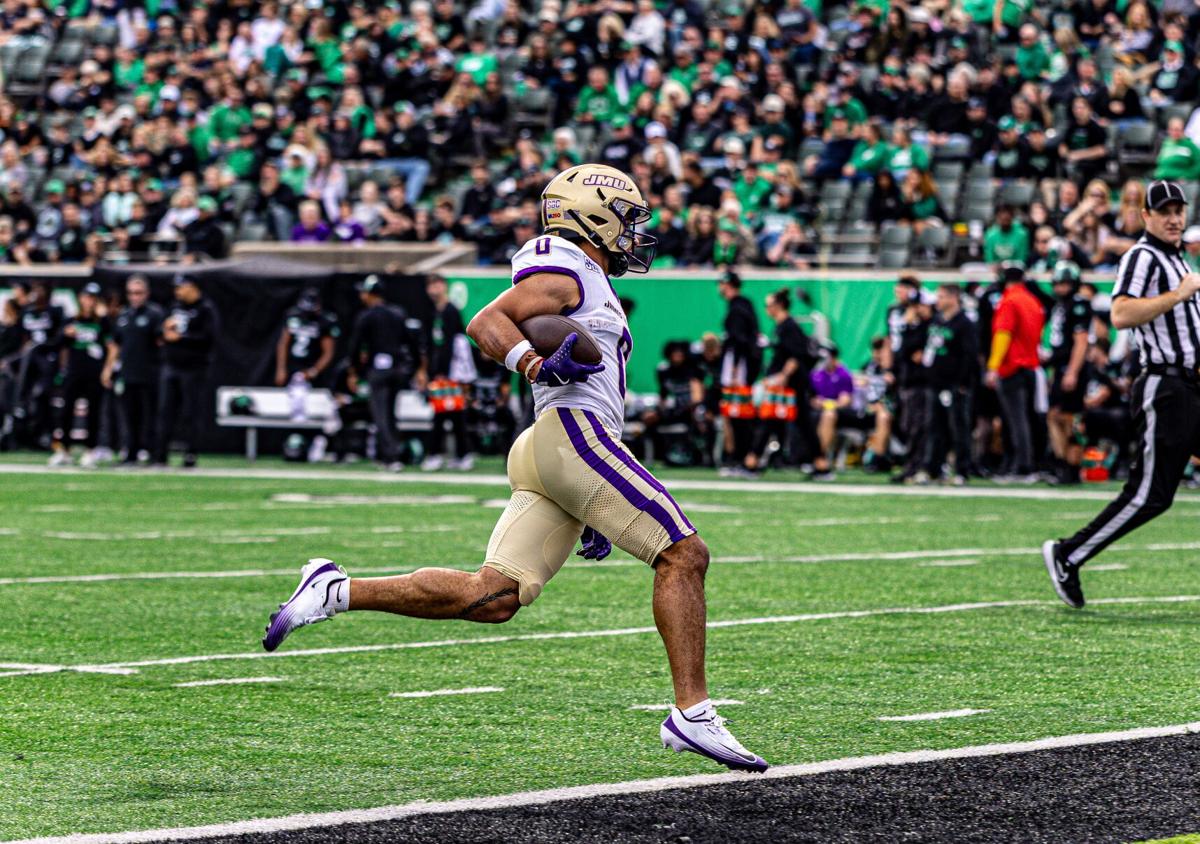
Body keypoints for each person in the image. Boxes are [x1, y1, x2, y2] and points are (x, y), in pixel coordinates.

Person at [261, 162, 767, 773]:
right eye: (628, 218)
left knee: (493, 595)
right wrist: (534, 363)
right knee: (684, 554)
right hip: (572, 434)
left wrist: (594, 511)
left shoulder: (588, 278)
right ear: (593, 215)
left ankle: (335, 591)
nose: (636, 232)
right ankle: (692, 714)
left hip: (557, 446)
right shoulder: (568, 266)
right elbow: (486, 322)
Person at [1045, 180, 1200, 608]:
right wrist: (1177, 295)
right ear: (1145, 216)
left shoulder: (1178, 259)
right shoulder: (1144, 256)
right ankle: (1068, 554)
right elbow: (1120, 314)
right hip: (1164, 386)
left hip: (1190, 384)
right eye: (1163, 211)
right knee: (1150, 495)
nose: (1173, 218)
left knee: (1155, 494)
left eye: (1178, 210)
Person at [345, 274, 427, 471]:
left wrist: (353, 372)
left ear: (370, 294)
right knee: (389, 413)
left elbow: (355, 347)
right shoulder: (398, 313)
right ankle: (388, 453)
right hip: (398, 370)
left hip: (379, 371)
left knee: (381, 414)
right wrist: (418, 368)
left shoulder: (367, 316)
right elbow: (412, 343)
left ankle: (391, 456)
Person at [984, 262, 1045, 481]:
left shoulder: (1008, 301)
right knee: (1026, 418)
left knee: (1015, 420)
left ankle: (1022, 467)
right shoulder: (1032, 300)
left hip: (1012, 366)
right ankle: (1027, 463)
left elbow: (1003, 334)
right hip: (1031, 365)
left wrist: (993, 366)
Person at [745, 288, 816, 473]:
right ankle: (753, 461)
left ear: (778, 306)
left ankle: (752, 461)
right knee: (773, 423)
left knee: (799, 423)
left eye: (768, 305)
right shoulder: (780, 326)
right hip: (785, 385)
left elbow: (796, 355)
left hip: (790, 386)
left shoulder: (789, 326)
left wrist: (782, 377)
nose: (766, 309)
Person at [153, 275, 220, 468]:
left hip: (193, 368)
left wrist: (181, 338)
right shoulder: (175, 307)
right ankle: (160, 454)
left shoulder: (205, 309)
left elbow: (209, 337)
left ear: (192, 287)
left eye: (181, 288)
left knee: (191, 412)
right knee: (165, 412)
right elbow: (162, 332)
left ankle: (190, 454)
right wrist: (164, 331)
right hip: (171, 366)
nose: (177, 292)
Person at [919, 284, 978, 484]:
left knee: (958, 427)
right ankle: (934, 468)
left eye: (942, 296)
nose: (938, 300)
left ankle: (962, 470)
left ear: (954, 298)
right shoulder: (937, 320)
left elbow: (970, 356)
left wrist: (962, 382)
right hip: (935, 382)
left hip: (955, 384)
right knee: (935, 427)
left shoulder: (964, 324)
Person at [102, 274, 163, 465]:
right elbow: (115, 345)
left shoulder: (155, 314)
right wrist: (108, 369)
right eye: (131, 293)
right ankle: (131, 453)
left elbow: (161, 341)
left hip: (149, 374)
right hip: (127, 374)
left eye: (138, 293)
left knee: (150, 416)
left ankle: (153, 453)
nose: (135, 297)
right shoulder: (124, 315)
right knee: (129, 417)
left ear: (146, 293)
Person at [48, 283, 110, 468]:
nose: (89, 301)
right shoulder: (71, 319)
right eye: (86, 297)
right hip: (74, 372)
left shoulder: (102, 322)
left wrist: (106, 370)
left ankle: (90, 451)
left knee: (94, 412)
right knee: (66, 412)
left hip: (94, 373)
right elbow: (57, 345)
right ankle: (64, 450)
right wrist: (66, 334)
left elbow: (112, 346)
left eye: (92, 298)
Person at [1044, 261, 1092, 485]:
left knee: (1070, 418)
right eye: (1058, 284)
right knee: (1054, 416)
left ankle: (1072, 468)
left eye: (1065, 284)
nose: (1061, 288)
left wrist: (1072, 371)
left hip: (1072, 368)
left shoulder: (1079, 304)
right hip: (1061, 367)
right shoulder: (1059, 305)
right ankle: (1062, 463)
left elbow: (1081, 342)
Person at [421, 274, 476, 472]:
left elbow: (454, 345)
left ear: (443, 286)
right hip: (439, 372)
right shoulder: (432, 312)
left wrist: (445, 372)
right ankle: (452, 453)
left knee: (453, 414)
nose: (432, 289)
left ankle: (457, 454)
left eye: (436, 284)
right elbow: (431, 345)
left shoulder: (451, 311)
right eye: (429, 285)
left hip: (453, 372)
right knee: (443, 413)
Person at [716, 270, 761, 474]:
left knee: (737, 415)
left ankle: (741, 459)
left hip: (737, 369)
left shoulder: (737, 309)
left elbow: (738, 341)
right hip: (742, 367)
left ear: (728, 285)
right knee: (738, 415)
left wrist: (734, 372)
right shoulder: (746, 305)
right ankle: (742, 458)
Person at [16, 281, 64, 446]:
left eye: (41, 290)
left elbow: (60, 338)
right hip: (30, 359)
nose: (38, 294)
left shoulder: (55, 311)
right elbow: (23, 338)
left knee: (44, 395)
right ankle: (29, 433)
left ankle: (47, 434)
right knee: (27, 395)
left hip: (47, 357)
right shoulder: (26, 312)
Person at [274, 287, 339, 388]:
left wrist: (314, 371)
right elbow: (283, 343)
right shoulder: (293, 316)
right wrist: (281, 368)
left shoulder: (325, 321)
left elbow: (328, 352)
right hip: (293, 366)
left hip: (313, 367)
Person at [808, 345, 853, 480]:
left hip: (839, 413)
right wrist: (817, 402)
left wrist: (830, 404)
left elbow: (845, 400)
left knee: (829, 415)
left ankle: (820, 457)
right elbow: (811, 398)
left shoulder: (843, 375)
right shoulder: (816, 375)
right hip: (816, 413)